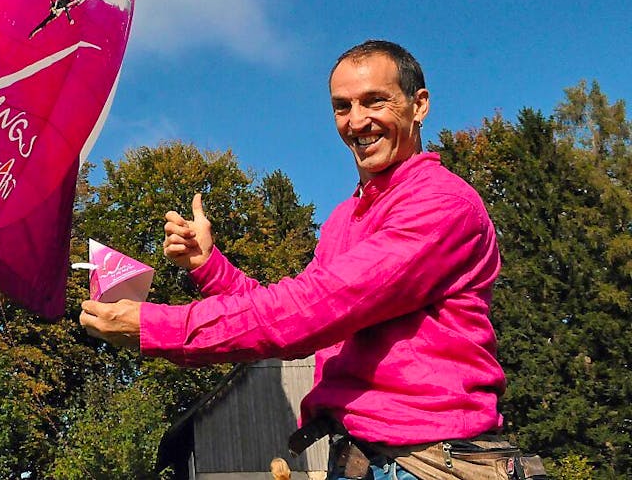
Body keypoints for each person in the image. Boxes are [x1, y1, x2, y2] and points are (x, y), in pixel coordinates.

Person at [80, 41, 513, 480]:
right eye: (342, 107)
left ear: (419, 105)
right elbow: (304, 323)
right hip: (364, 457)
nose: (357, 121)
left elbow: (308, 313)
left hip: (428, 462)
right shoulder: (347, 216)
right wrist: (208, 266)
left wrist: (157, 327)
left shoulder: (441, 205)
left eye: (375, 101)